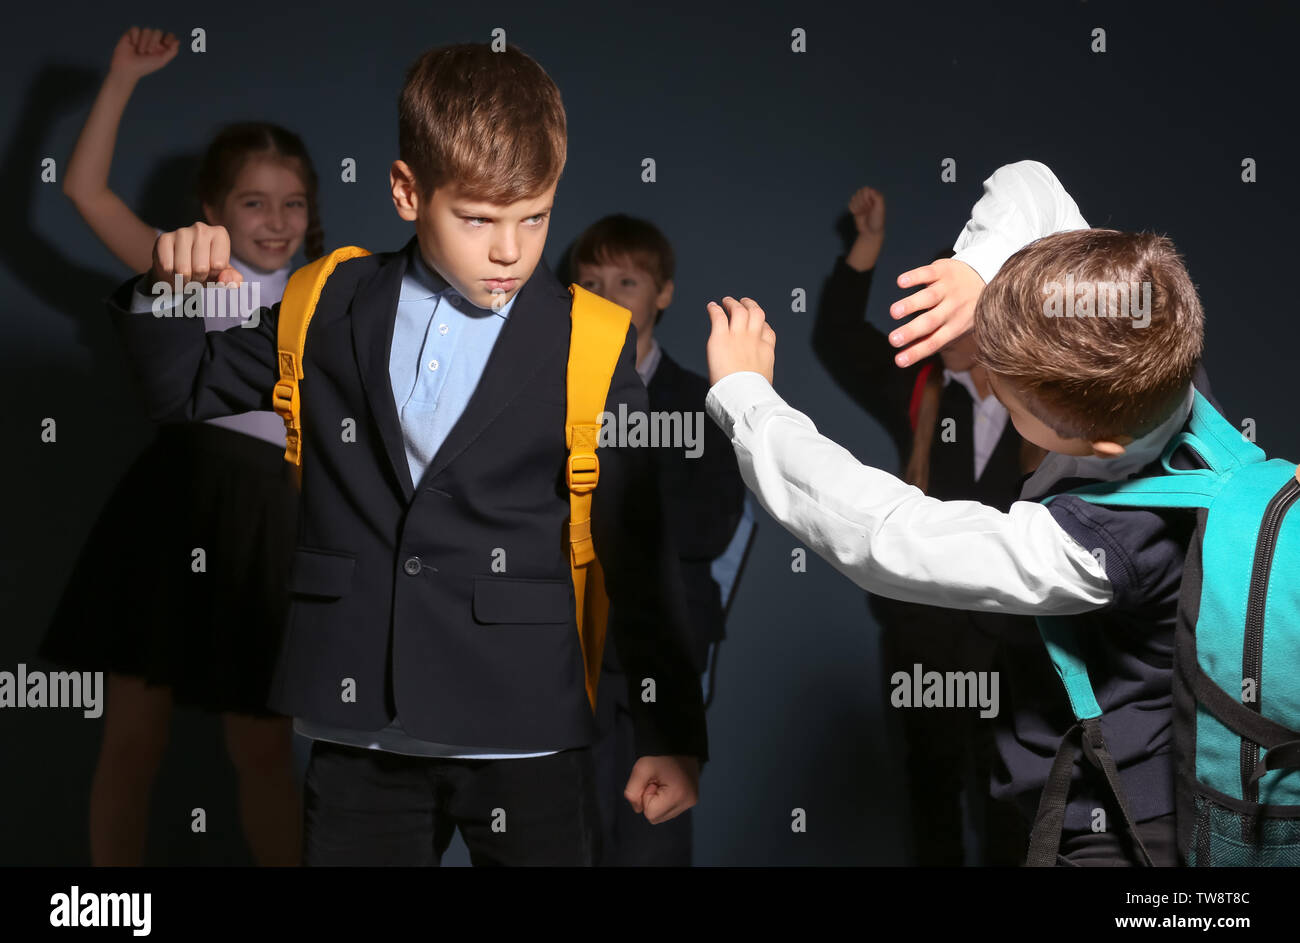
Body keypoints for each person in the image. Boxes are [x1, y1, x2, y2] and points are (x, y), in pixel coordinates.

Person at [104, 41, 707, 866]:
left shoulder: (592, 344)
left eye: (534, 218)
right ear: (405, 191)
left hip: (525, 731)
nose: (510, 251)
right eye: (478, 219)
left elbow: (639, 556)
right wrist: (165, 287)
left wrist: (674, 732)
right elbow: (180, 392)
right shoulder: (326, 301)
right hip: (360, 729)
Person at [704, 159, 1221, 865]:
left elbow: (886, 535)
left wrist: (745, 400)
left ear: (1090, 444)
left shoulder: (1088, 550)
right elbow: (1035, 182)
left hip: (1120, 831)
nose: (988, 368)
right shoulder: (1163, 359)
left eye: (1013, 396)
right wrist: (980, 270)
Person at [40, 26, 324, 866]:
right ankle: (108, 909)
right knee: (131, 743)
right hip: (173, 512)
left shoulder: (330, 293)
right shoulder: (180, 268)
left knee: (263, 753)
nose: (275, 221)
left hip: (274, 524)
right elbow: (84, 193)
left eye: (293, 202)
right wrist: (123, 77)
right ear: (211, 212)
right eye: (252, 201)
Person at [812, 186, 1039, 865]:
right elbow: (835, 336)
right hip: (923, 642)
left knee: (1012, 810)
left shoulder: (1047, 400)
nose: (946, 323)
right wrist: (868, 247)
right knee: (931, 805)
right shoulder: (914, 385)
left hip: (1014, 647)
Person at [570, 214, 745, 865]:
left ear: (663, 293)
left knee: (653, 833)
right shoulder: (553, 395)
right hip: (570, 638)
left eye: (626, 281)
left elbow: (712, 525)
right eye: (590, 282)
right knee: (571, 828)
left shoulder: (705, 403)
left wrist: (615, 513)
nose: (608, 296)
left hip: (669, 641)